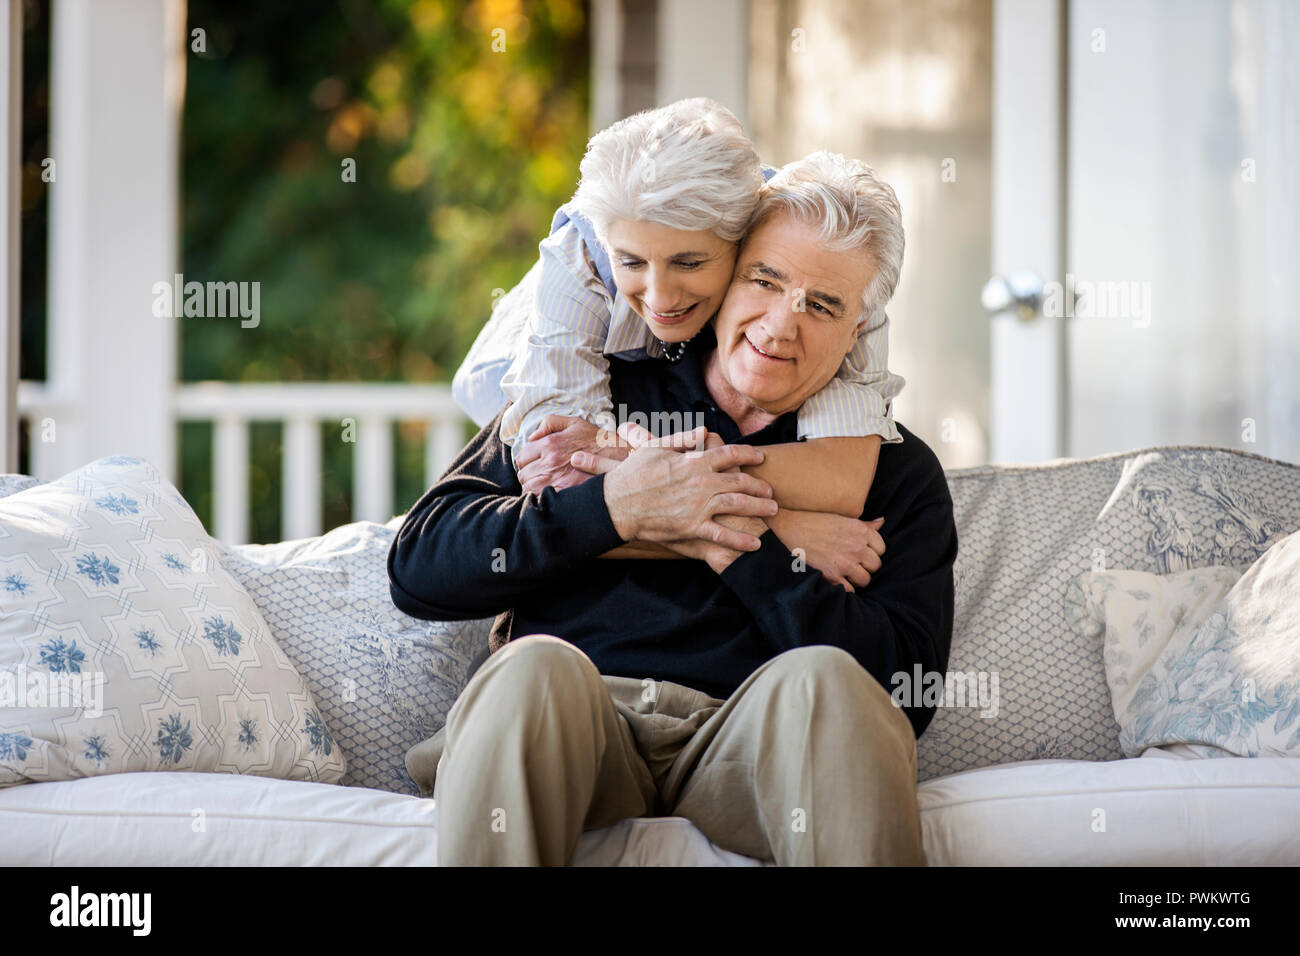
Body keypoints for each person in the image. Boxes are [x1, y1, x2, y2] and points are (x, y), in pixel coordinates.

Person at [389, 151, 958, 866]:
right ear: (724, 276)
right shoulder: (590, 396)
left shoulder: (893, 468)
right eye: (766, 279)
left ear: (860, 331)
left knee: (830, 683)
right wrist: (618, 508)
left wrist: (727, 533)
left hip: (753, 749)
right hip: (576, 727)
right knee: (529, 672)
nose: (782, 325)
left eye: (823, 304)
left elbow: (904, 692)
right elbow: (420, 567)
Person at [483, 97, 906, 522]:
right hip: (504, 381)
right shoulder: (579, 263)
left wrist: (655, 477)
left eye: (688, 263)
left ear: (742, 241)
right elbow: (565, 483)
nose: (661, 299)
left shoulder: (826, 252)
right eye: (630, 262)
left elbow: (839, 479)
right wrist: (786, 530)